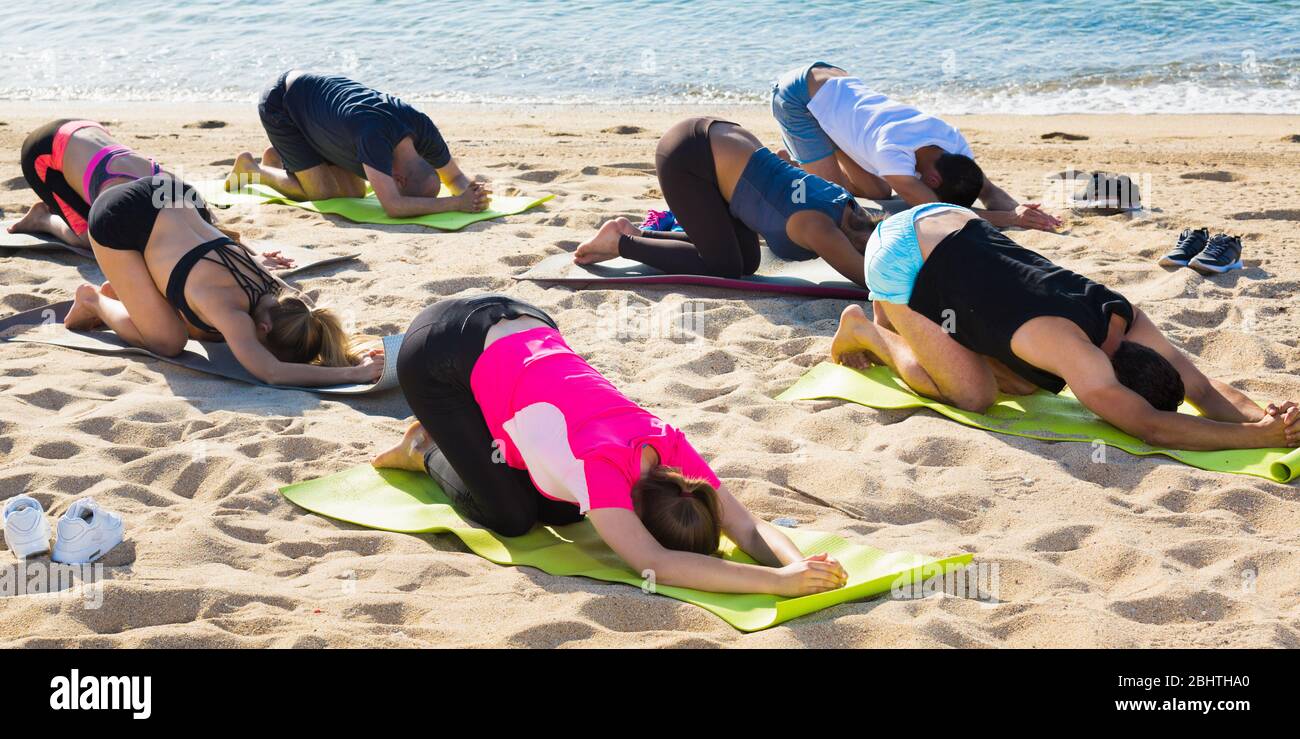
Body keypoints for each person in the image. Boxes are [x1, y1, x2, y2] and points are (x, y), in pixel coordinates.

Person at [373, 294, 848, 596]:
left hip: (526, 320)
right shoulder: (600, 471)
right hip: (438, 348)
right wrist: (778, 583)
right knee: (512, 519)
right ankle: (424, 447)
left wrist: (800, 565)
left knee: (560, 509)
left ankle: (473, 428)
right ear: (634, 518)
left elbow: (747, 527)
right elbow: (655, 562)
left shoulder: (671, 451)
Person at [829, 203, 1300, 450]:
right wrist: (1255, 437)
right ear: (1114, 383)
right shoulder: (1083, 362)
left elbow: (1202, 387)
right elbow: (1152, 428)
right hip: (900, 255)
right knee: (974, 396)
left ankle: (891, 316)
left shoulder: (1127, 319)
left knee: (1023, 383)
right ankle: (865, 328)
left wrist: (1267, 417)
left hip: (947, 219)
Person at [67, 172, 383, 387]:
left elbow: (318, 318)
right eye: (263, 344)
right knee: (168, 341)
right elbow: (271, 373)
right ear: (264, 328)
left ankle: (130, 293)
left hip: (171, 190)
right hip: (118, 215)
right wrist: (353, 374)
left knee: (204, 327)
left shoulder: (285, 296)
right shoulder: (230, 311)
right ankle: (93, 299)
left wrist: (355, 356)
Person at [575, 117, 880, 283]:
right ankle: (620, 243)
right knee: (724, 268)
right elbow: (870, 281)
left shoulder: (846, 204)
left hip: (725, 146)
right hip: (689, 157)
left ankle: (638, 235)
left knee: (746, 263)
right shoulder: (822, 228)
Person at [772, 62, 1061, 232]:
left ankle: (824, 143)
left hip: (835, 78)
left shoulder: (954, 144)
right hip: (798, 96)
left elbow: (989, 190)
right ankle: (791, 164)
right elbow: (942, 211)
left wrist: (1021, 210)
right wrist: (1011, 219)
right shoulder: (892, 152)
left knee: (878, 192)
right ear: (932, 180)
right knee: (833, 201)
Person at [226, 71, 491, 217]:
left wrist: (473, 194)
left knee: (354, 193)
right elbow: (393, 206)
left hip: (323, 114)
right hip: (283, 104)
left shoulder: (423, 130)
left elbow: (454, 176)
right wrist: (455, 204)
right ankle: (254, 170)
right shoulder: (374, 140)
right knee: (323, 194)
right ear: (397, 179)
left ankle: (282, 159)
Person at [10, 119, 162, 247]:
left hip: (85, 129)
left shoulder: (168, 182)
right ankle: (42, 219)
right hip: (41, 152)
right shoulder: (114, 199)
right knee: (87, 239)